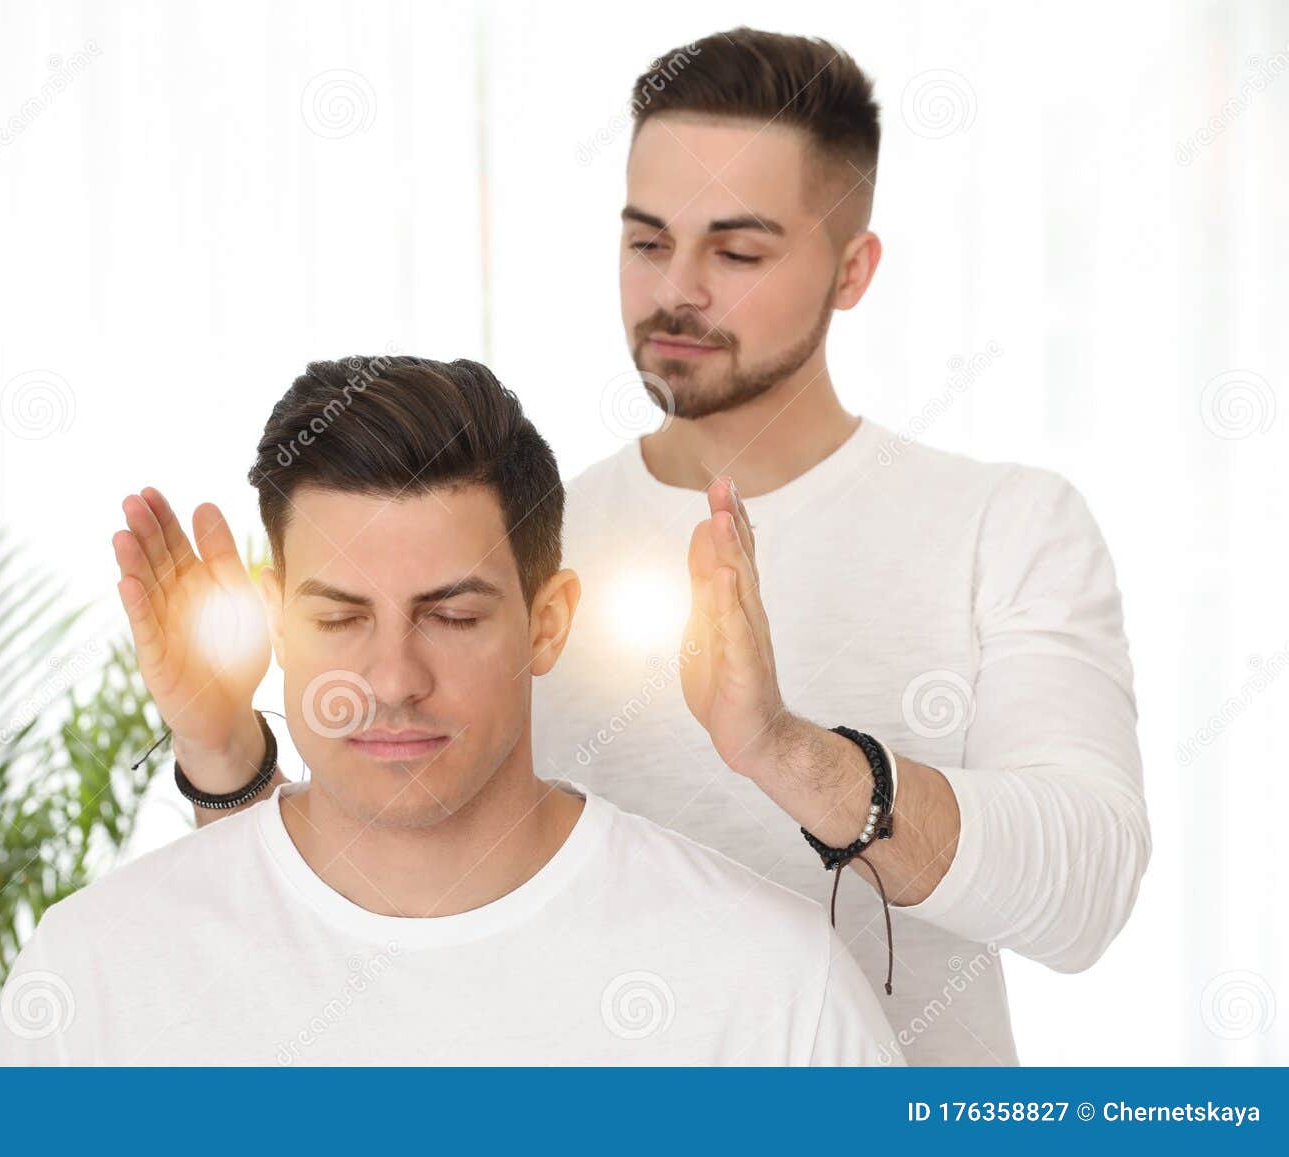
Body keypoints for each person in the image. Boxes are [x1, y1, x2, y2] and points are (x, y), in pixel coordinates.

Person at [117, 29, 1151, 1066]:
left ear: (852, 269)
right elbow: (326, 915)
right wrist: (221, 752)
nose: (679, 290)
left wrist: (782, 749)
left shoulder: (1004, 528)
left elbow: (1089, 893)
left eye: (737, 251)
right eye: (647, 242)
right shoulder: (510, 555)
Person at [0, 355, 903, 1066]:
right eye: (339, 616)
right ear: (275, 622)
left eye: (452, 615)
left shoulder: (769, 986)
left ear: (547, 625)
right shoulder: (95, 976)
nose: (393, 677)